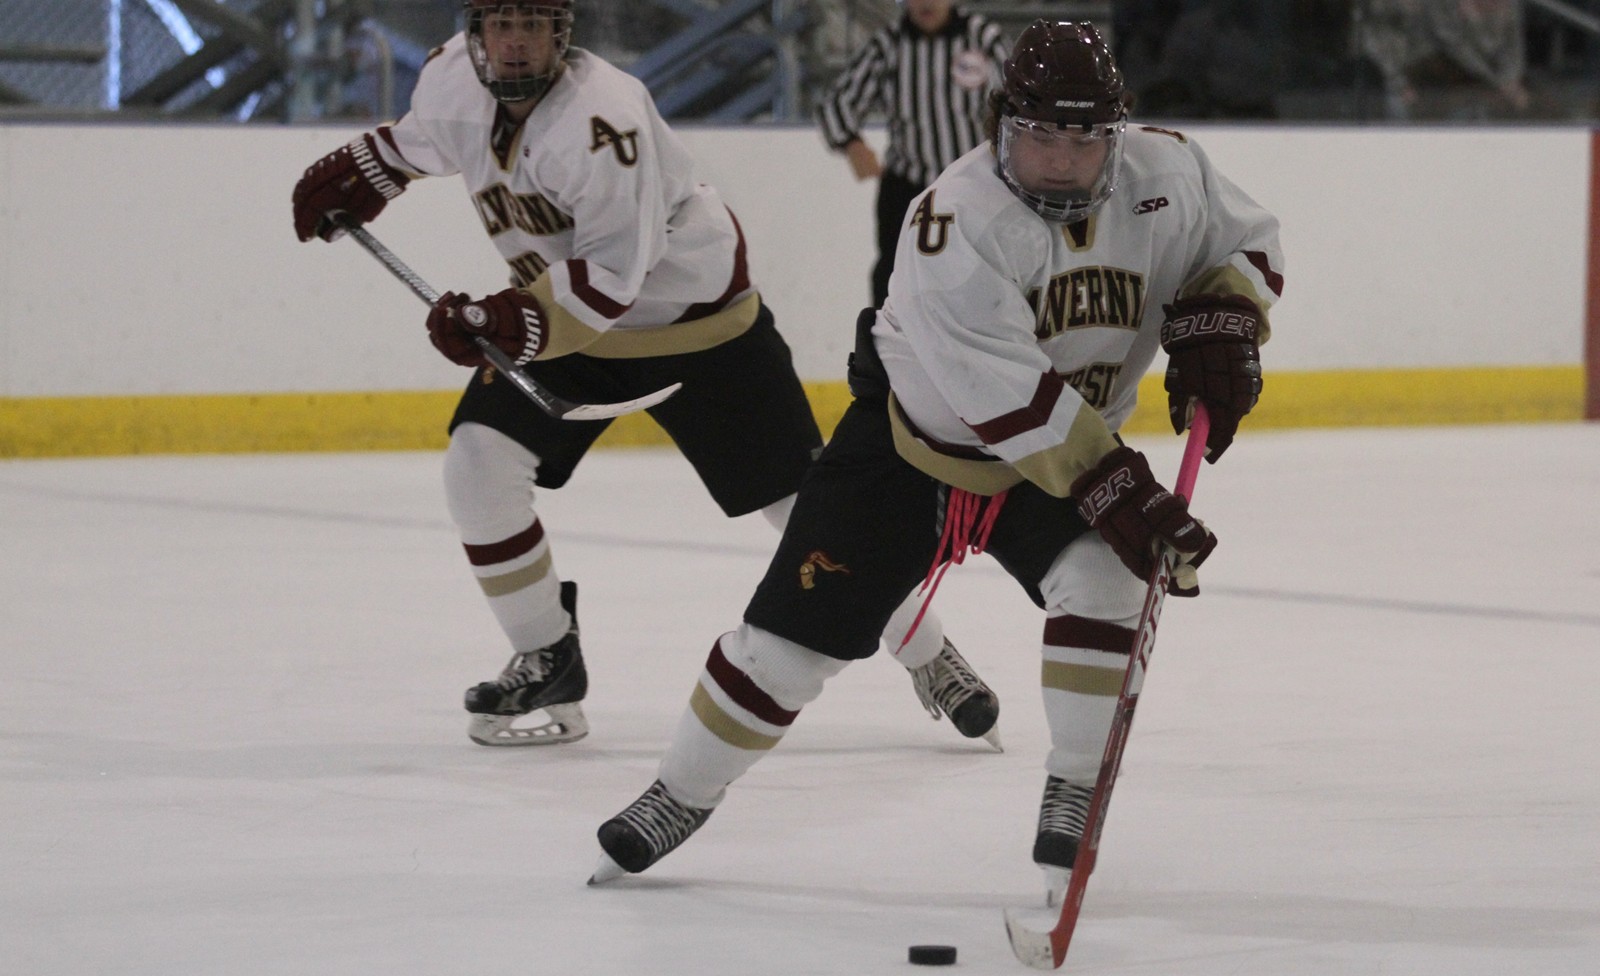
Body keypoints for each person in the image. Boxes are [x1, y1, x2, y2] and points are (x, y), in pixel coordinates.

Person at [592, 20, 1284, 902]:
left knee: (1111, 583)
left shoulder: (1169, 172)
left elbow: (1250, 242)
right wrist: (1114, 483)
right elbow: (1003, 397)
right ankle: (678, 794)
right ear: (1000, 125)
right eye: (1041, 136)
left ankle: (1075, 784)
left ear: (1116, 133)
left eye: (1084, 139)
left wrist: (1226, 317)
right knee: (784, 655)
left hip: (1062, 459)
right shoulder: (952, 221)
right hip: (913, 452)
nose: (1064, 161)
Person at [290, 1, 1001, 750]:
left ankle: (932, 655)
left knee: (805, 515)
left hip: (695, 327)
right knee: (477, 464)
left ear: (563, 34)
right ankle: (547, 653)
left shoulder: (604, 120)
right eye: (502, 26)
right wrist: (366, 169)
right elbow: (424, 140)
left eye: (535, 26)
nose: (518, 44)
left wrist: (500, 323)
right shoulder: (449, 81)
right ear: (476, 34)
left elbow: (610, 279)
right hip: (563, 320)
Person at [818, 0, 1009, 308]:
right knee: (894, 283)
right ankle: (886, 353)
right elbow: (836, 105)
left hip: (973, 188)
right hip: (907, 188)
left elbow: (1016, 100)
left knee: (980, 280)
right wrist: (851, 143)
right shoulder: (889, 45)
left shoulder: (983, 38)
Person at [1355, 0, 1531, 120]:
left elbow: (1512, 43)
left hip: (1455, 88)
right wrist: (1399, 83)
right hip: (1404, 87)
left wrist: (1508, 82)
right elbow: (1374, 38)